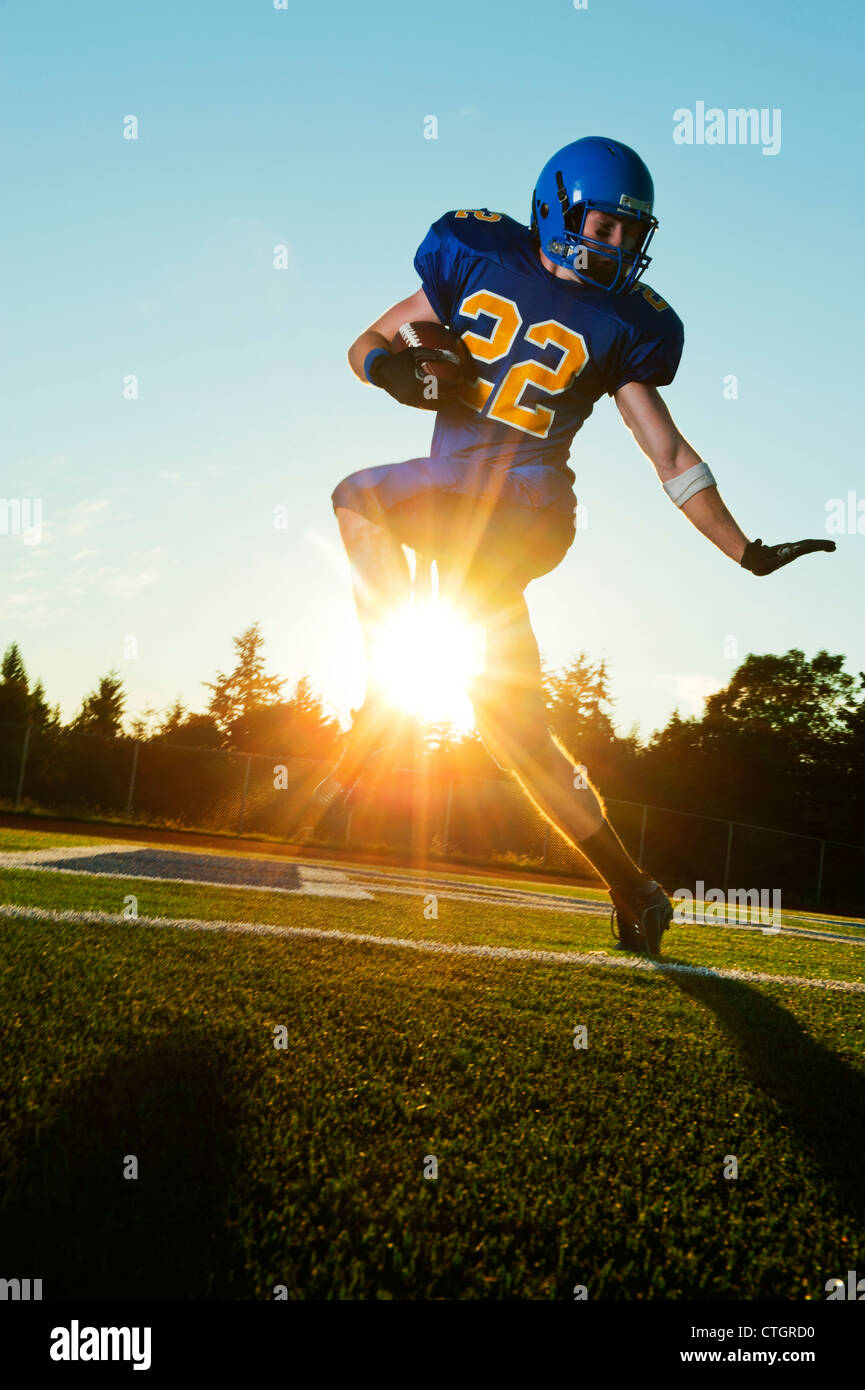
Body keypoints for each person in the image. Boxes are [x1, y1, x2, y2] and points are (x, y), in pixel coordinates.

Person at [316, 137, 834, 957]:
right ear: (558, 207)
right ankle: (635, 892)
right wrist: (392, 371)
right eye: (605, 225)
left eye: (632, 233)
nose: (617, 246)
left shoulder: (626, 322)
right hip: (457, 517)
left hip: (523, 509)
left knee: (359, 498)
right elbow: (367, 343)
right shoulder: (474, 252)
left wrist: (743, 549)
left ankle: (384, 694)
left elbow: (666, 453)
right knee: (516, 739)